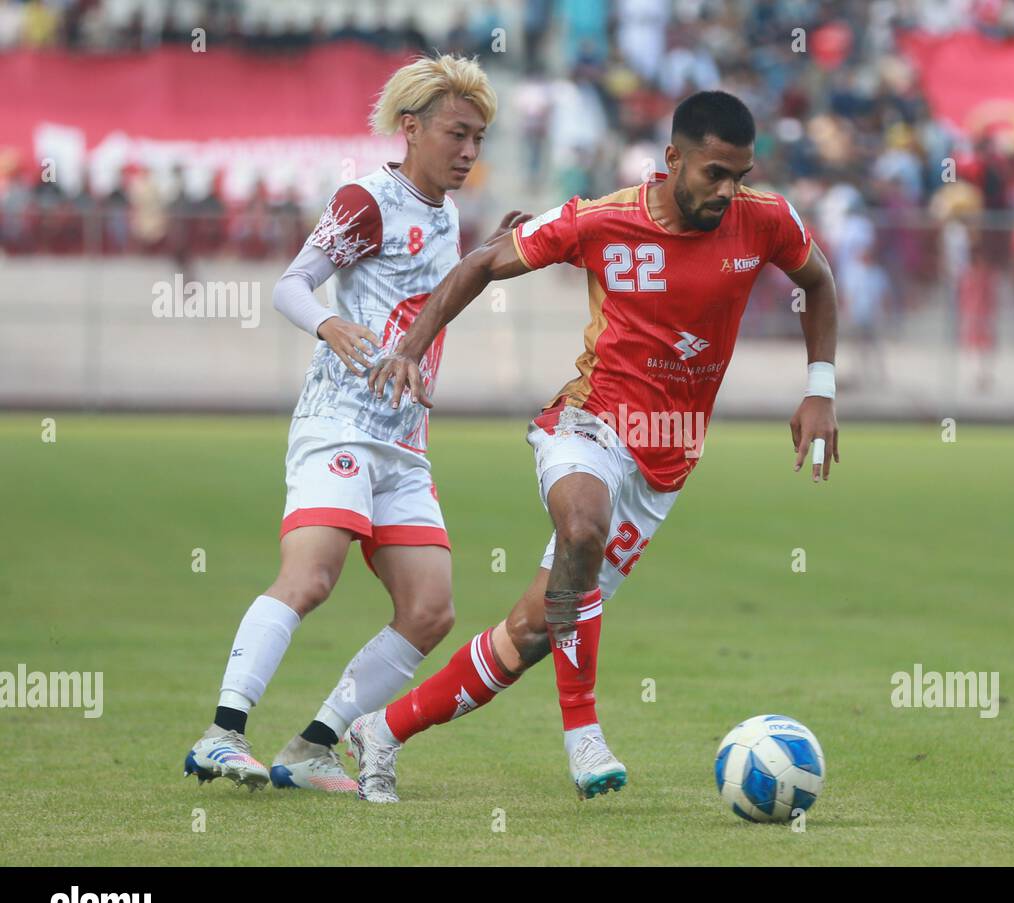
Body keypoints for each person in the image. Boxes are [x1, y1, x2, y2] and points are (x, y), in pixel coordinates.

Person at [347, 90, 840, 803]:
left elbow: (818, 282)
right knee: (581, 524)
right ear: (672, 159)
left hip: (667, 458)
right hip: (590, 420)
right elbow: (483, 264)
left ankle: (381, 731)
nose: (728, 191)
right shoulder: (603, 220)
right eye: (714, 174)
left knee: (534, 629)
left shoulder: (764, 221)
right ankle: (583, 733)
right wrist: (412, 351)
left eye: (740, 175)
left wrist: (819, 388)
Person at [183, 54, 524, 792]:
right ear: (411, 128)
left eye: (480, 138)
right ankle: (222, 733)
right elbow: (290, 285)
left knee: (431, 609)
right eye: (458, 134)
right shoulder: (368, 199)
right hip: (339, 423)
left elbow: (429, 312)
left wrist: (488, 257)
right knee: (310, 578)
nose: (470, 152)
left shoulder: (446, 215)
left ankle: (312, 746)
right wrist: (332, 325)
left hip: (403, 441)